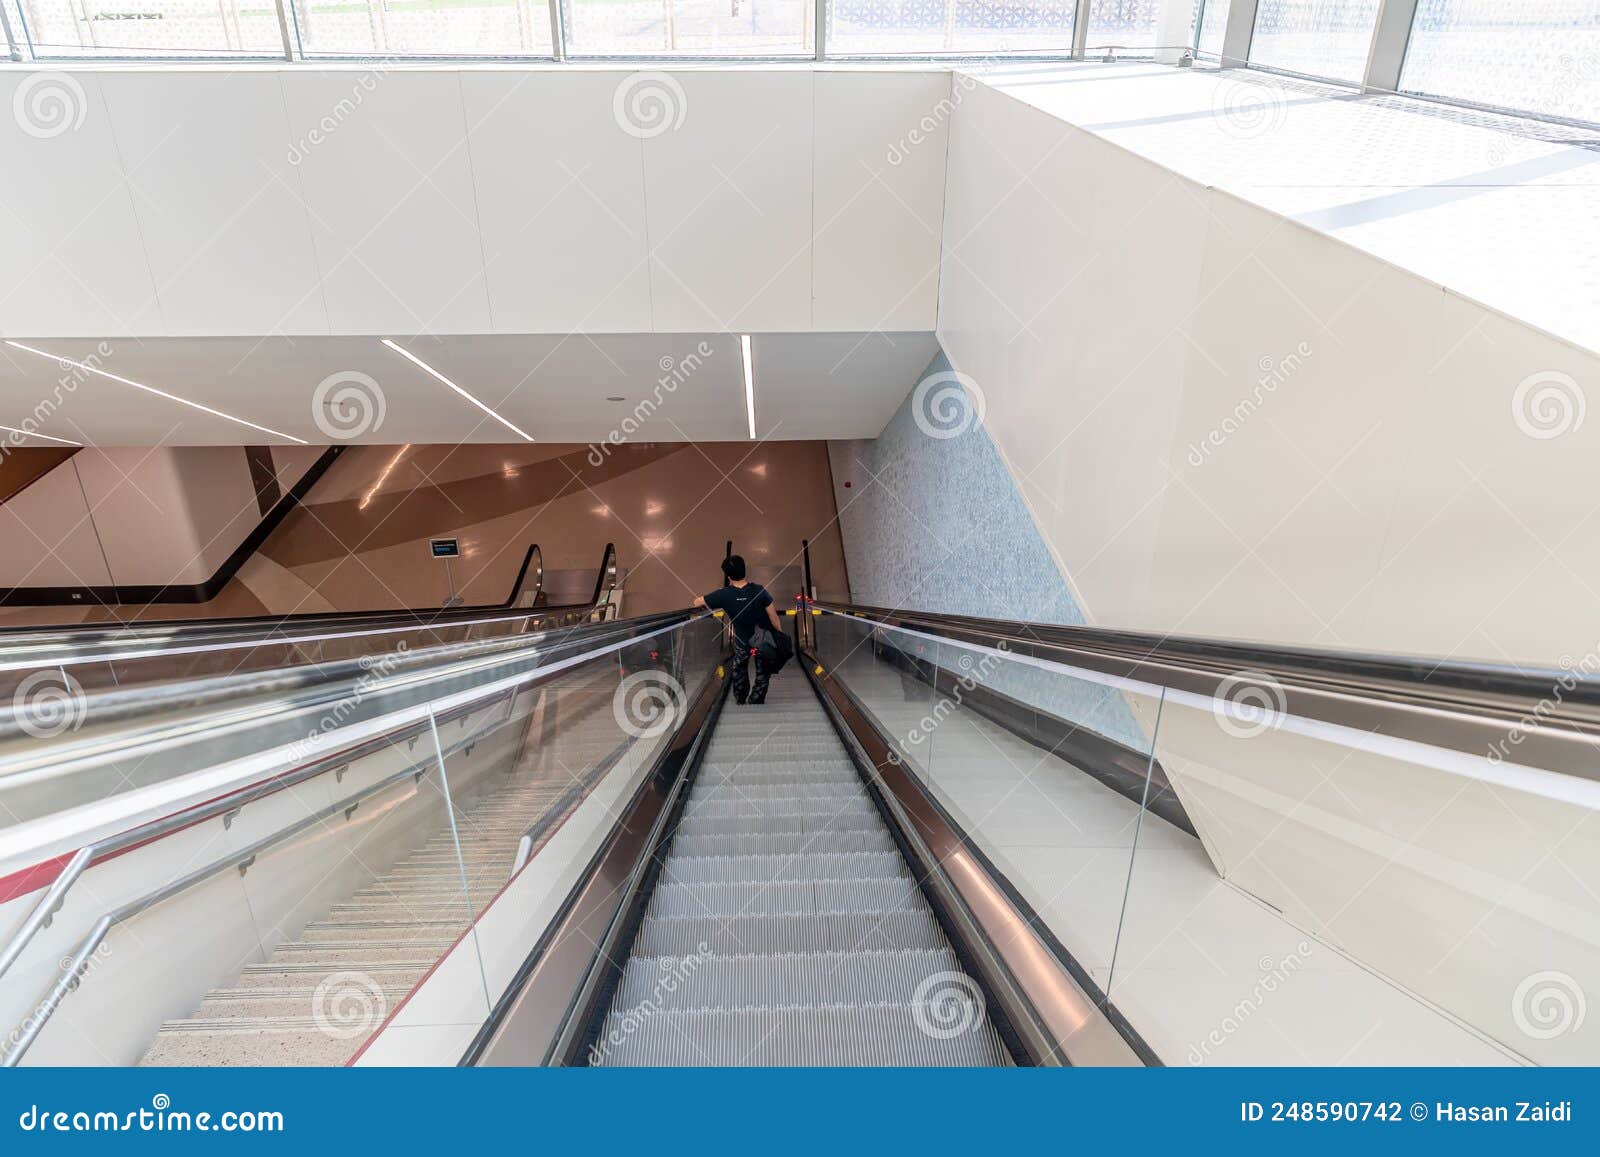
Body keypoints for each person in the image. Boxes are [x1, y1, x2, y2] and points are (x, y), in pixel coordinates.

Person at [693, 554, 786, 705]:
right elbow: (773, 616)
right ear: (744, 570)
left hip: (742, 640)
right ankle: (756, 699)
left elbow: (696, 602)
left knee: (740, 669)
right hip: (762, 639)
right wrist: (779, 634)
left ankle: (741, 698)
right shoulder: (759, 590)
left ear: (728, 575)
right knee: (763, 670)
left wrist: (719, 595)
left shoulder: (723, 594)